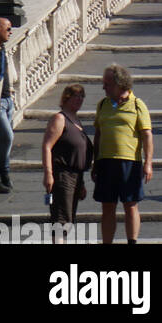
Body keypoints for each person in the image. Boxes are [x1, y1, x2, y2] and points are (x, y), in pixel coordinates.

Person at [92, 65, 153, 245]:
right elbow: (98, 135)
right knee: (107, 206)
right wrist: (95, 162)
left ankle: (132, 241)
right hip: (105, 161)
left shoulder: (137, 104)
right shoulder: (102, 104)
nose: (104, 87)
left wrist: (148, 163)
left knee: (130, 204)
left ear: (120, 84)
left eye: (108, 84)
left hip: (129, 161)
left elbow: (147, 135)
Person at [41, 83, 93, 240]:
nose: (79, 99)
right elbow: (47, 146)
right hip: (62, 174)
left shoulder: (76, 120)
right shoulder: (60, 118)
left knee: (68, 220)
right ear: (66, 98)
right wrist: (48, 174)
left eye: (82, 96)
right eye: (76, 96)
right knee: (61, 220)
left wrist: (82, 183)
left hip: (76, 175)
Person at [0, 17, 12, 194]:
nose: (10, 32)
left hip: (8, 99)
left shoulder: (2, 49)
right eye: (8, 29)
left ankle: (4, 175)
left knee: (4, 140)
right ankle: (5, 173)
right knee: (7, 137)